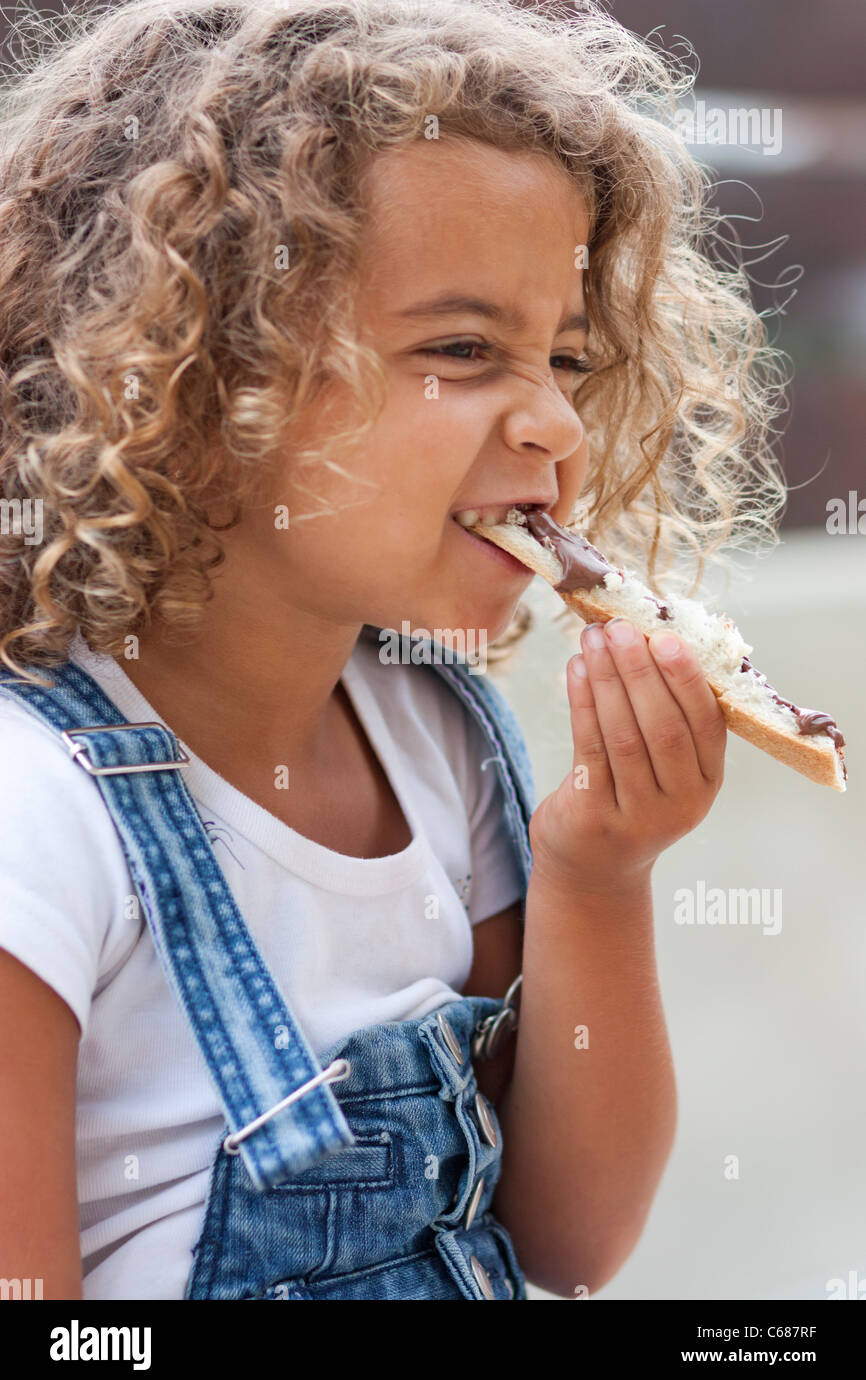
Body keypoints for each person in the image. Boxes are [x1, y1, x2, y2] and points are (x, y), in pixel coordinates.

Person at [0, 0, 786, 1300]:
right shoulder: (40, 818)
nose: (550, 419)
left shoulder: (438, 742)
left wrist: (597, 870)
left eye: (568, 357)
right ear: (192, 386)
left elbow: (564, 1237)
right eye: (463, 349)